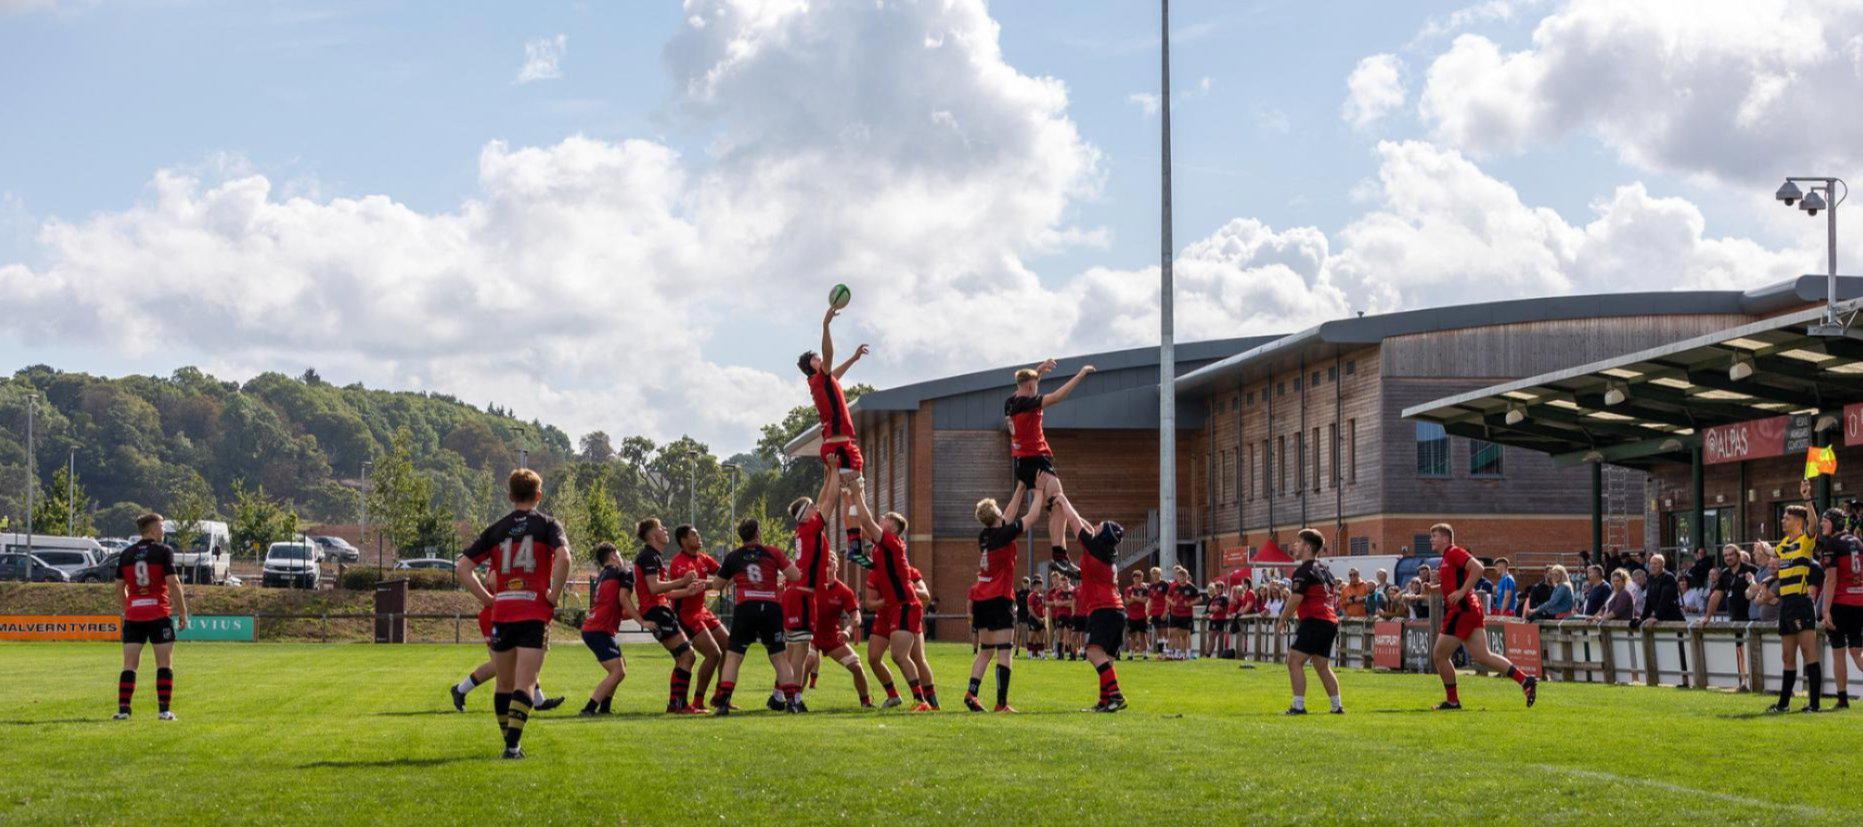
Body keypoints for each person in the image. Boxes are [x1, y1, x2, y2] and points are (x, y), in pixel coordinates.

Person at [456, 469, 572, 759]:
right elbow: (564, 558)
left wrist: (488, 599)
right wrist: (554, 595)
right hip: (533, 611)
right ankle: (512, 747)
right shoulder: (548, 525)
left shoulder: (496, 529)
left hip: (503, 612)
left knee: (504, 684)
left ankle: (509, 743)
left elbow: (462, 568)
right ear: (538, 495)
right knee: (526, 683)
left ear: (510, 496)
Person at [846, 478, 936, 711]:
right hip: (893, 607)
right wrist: (853, 495)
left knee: (900, 655)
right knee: (877, 656)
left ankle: (922, 701)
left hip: (904, 604)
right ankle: (903, 697)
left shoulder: (892, 542)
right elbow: (860, 524)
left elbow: (867, 520)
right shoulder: (881, 545)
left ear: (894, 528)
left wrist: (857, 490)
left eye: (886, 518)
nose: (881, 519)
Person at [1427, 523, 1537, 711]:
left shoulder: (1453, 552)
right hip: (1470, 609)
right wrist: (1433, 589)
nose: (1431, 540)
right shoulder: (1446, 557)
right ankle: (1525, 680)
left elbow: (1478, 568)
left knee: (1439, 655)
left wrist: (1462, 592)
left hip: (1462, 610)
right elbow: (1452, 586)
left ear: (1445, 538)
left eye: (1434, 536)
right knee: (1483, 656)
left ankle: (1452, 701)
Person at [706, 518, 806, 715]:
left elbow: (717, 585)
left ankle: (723, 703)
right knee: (779, 656)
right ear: (758, 533)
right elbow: (795, 575)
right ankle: (792, 702)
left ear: (741, 536)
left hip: (746, 607)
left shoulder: (734, 556)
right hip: (770, 607)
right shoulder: (773, 552)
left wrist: (722, 579)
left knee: (734, 656)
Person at [798, 301, 870, 562]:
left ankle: (829, 537)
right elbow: (829, 355)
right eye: (815, 358)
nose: (820, 358)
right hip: (841, 446)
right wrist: (826, 325)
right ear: (812, 365)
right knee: (854, 495)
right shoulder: (820, 377)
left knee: (841, 496)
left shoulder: (821, 381)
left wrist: (854, 358)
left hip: (832, 445)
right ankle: (855, 546)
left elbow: (835, 372)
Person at [1002, 357, 1096, 557]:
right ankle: (1059, 554)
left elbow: (1028, 386)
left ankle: (1060, 555)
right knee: (1058, 502)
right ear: (1030, 387)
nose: (1037, 389)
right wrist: (1080, 375)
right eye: (1035, 386)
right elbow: (1056, 397)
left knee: (1056, 506)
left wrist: (1038, 371)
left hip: (1021, 461)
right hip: (1036, 459)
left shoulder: (1010, 402)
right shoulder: (1029, 403)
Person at [1047, 493, 1129, 712]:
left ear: (1103, 534)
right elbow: (1085, 525)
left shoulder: (1095, 547)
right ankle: (1105, 701)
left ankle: (1116, 696)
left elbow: (1076, 522)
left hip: (1104, 610)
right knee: (1106, 658)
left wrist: (1063, 500)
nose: (1097, 525)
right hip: (1116, 610)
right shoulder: (1105, 550)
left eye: (1101, 525)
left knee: (1093, 653)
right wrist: (1065, 508)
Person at [966, 481, 1042, 712]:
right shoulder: (1005, 534)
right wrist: (1039, 491)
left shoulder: (985, 535)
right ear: (997, 515)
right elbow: (1032, 517)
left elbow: (1007, 517)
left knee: (986, 650)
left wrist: (1020, 488)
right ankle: (1001, 703)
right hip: (999, 598)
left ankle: (971, 693)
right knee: (1005, 650)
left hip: (981, 598)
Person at [113, 512, 189, 721]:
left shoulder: (126, 554)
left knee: (129, 664)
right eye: (162, 526)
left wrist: (127, 609)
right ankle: (164, 711)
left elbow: (119, 587)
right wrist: (183, 612)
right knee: (164, 663)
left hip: (134, 616)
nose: (163, 530)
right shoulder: (164, 551)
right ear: (153, 529)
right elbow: (173, 583)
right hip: (158, 613)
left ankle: (123, 710)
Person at [630, 519, 707, 714]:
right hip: (657, 611)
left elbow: (663, 591)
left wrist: (686, 591)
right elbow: (654, 587)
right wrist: (682, 581)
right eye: (661, 528)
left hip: (660, 610)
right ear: (652, 535)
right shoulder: (648, 556)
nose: (665, 530)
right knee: (687, 655)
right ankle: (678, 705)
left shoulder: (653, 556)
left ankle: (676, 704)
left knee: (683, 657)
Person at [781, 474, 841, 708]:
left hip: (798, 593)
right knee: (801, 651)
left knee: (795, 649)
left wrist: (828, 475)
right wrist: (835, 471)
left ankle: (782, 695)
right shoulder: (810, 527)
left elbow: (822, 498)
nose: (816, 507)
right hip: (801, 595)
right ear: (805, 513)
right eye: (811, 507)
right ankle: (794, 698)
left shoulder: (805, 527)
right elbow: (830, 501)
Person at [1276, 528, 1344, 715]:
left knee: (1294, 660)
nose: (1294, 546)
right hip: (1330, 621)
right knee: (1322, 665)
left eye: (1298, 542)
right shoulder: (1325, 570)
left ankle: (1298, 706)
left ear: (1307, 547)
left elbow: (1296, 598)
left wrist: (1282, 620)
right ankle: (1336, 706)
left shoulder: (1303, 570)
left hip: (1315, 621)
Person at [1770, 485, 1823, 713]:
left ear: (1798, 522)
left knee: (1809, 653)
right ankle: (1783, 704)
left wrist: (1807, 498)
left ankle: (1814, 704)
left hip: (1801, 603)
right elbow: (1773, 556)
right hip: (1786, 604)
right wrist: (1763, 550)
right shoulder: (1783, 544)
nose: (1783, 520)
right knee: (1787, 656)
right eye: (1783, 517)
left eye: (1787, 518)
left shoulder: (1805, 541)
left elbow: (1814, 525)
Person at [666, 526, 730, 711]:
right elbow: (682, 589)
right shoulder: (678, 562)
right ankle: (698, 700)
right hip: (686, 615)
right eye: (694, 534)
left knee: (729, 646)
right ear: (684, 540)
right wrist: (712, 584)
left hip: (702, 611)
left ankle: (720, 697)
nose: (698, 536)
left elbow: (725, 577)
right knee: (714, 654)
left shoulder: (703, 558)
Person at [578, 542, 640, 716]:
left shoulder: (604, 575)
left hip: (595, 628)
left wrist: (638, 613)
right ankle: (589, 708)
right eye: (619, 554)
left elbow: (617, 611)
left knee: (620, 668)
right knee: (618, 671)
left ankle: (605, 708)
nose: (621, 558)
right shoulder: (620, 572)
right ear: (613, 555)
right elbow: (624, 601)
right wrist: (643, 619)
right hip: (599, 630)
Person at [808, 549, 874, 708]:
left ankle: (866, 702)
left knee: (856, 665)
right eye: (826, 558)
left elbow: (856, 616)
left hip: (832, 636)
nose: (829, 560)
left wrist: (848, 630)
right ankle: (794, 700)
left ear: (837, 566)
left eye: (832, 558)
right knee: (808, 660)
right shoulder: (812, 585)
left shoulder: (844, 591)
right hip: (811, 634)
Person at [1820, 510, 1863, 710]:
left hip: (1840, 602)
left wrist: (1825, 610)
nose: (1822, 524)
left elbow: (1831, 580)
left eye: (1825, 521)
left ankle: (1842, 699)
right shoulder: (1857, 541)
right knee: (1856, 651)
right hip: (1859, 601)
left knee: (1838, 651)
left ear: (1835, 523)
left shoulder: (1831, 544)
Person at [860, 566, 904, 707]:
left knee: (908, 657)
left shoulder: (906, 570)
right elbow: (869, 604)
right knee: (873, 658)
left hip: (903, 613)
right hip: (883, 617)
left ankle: (922, 698)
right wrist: (887, 600)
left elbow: (925, 594)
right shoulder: (875, 574)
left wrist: (908, 592)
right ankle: (893, 695)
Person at [1167, 567, 1199, 660]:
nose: (1181, 578)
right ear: (1177, 577)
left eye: (1183, 576)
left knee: (1184, 635)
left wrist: (1190, 603)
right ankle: (1176, 653)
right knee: (1174, 633)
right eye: (1180, 576)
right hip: (1175, 613)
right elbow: (1167, 597)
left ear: (1186, 576)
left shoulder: (1191, 587)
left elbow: (1199, 598)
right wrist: (1172, 602)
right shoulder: (1173, 587)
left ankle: (1182, 654)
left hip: (1186, 614)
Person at [1123, 571, 1151, 660]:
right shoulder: (1129, 589)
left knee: (1143, 635)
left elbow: (1145, 600)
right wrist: (1138, 599)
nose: (1138, 580)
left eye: (1139, 578)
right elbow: (1127, 602)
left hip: (1142, 615)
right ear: (1133, 579)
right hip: (1131, 615)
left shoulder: (1144, 589)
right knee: (1132, 635)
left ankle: (1145, 654)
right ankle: (1131, 654)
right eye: (1136, 578)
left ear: (1142, 578)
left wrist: (1134, 598)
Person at [1205, 582, 1231, 658]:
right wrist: (1214, 608)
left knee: (1213, 636)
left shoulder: (1224, 598)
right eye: (1216, 587)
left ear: (1222, 588)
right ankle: (1207, 654)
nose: (1216, 589)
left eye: (1218, 587)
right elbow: (1209, 608)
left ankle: (1208, 654)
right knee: (1210, 637)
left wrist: (1214, 608)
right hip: (1213, 618)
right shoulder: (1215, 597)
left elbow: (1218, 608)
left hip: (1220, 619)